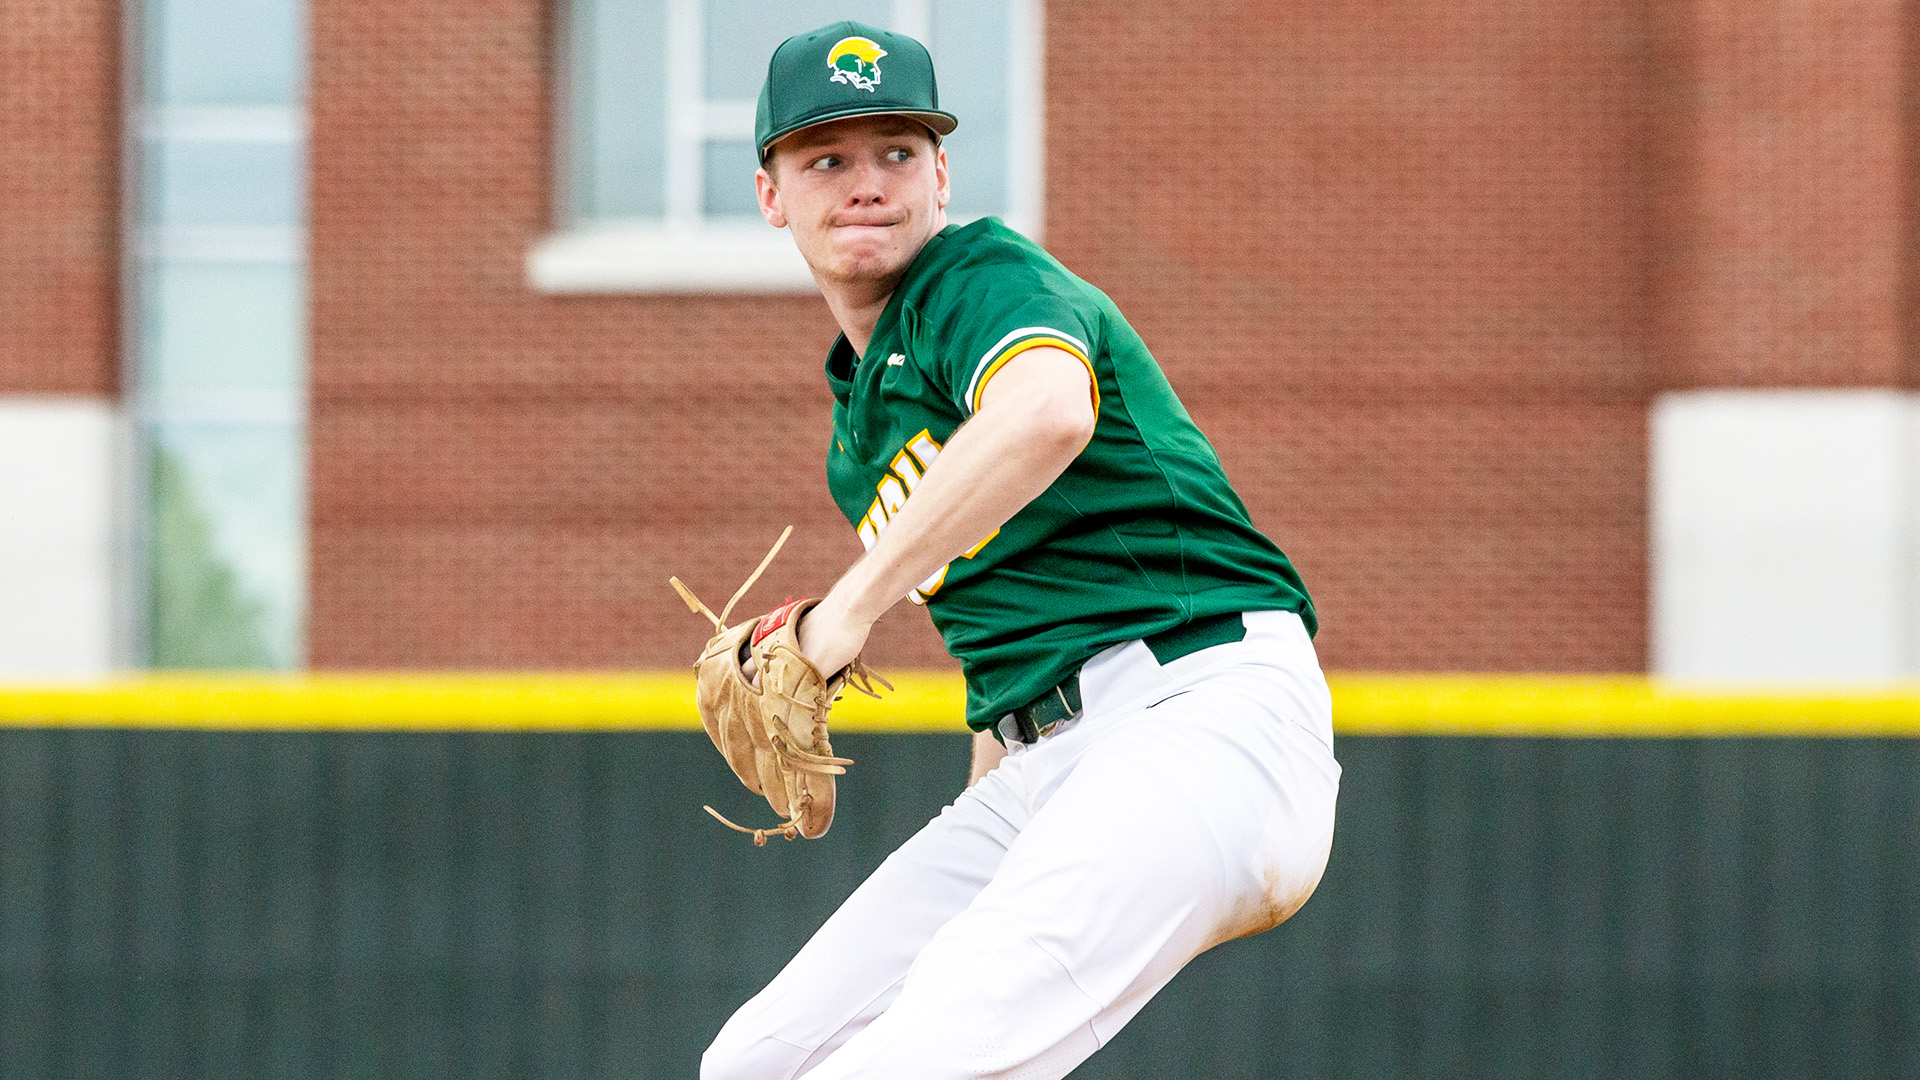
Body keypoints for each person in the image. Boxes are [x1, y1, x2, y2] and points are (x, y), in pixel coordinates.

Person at [701, 21, 1340, 1080]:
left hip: (1201, 715)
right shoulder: (859, 438)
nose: (867, 182)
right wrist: (987, 813)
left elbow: (1048, 410)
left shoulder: (979, 280)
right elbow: (1005, 656)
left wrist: (843, 614)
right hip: (1049, 765)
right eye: (827, 159)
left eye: (897, 153)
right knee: (754, 1065)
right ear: (772, 193)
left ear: (942, 175)